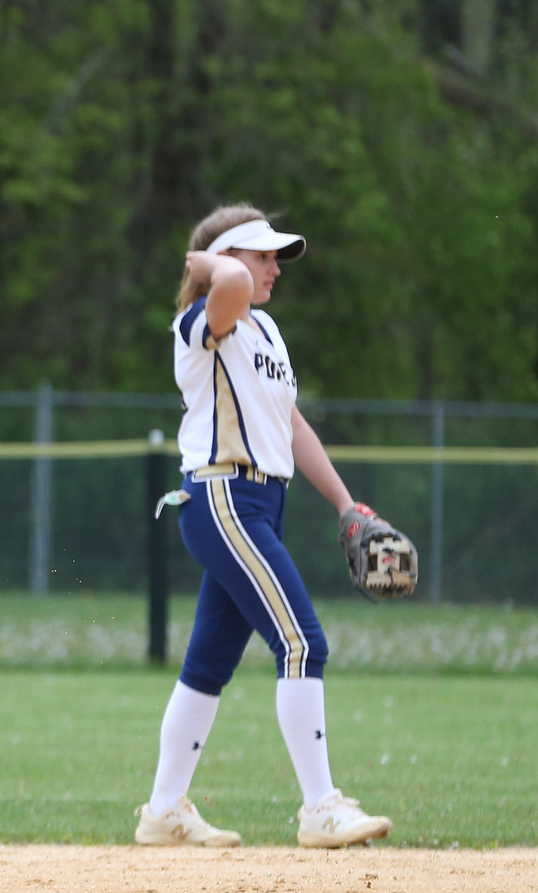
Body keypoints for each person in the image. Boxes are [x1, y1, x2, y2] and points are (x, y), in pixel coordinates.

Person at [134, 204, 395, 849]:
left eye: (277, 258)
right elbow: (227, 286)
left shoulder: (267, 331)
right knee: (302, 643)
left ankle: (163, 811)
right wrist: (210, 264)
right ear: (224, 263)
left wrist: (346, 504)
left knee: (208, 664)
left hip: (259, 504)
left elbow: (293, 425)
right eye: (263, 256)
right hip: (222, 497)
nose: (275, 268)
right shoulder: (203, 321)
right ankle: (320, 808)